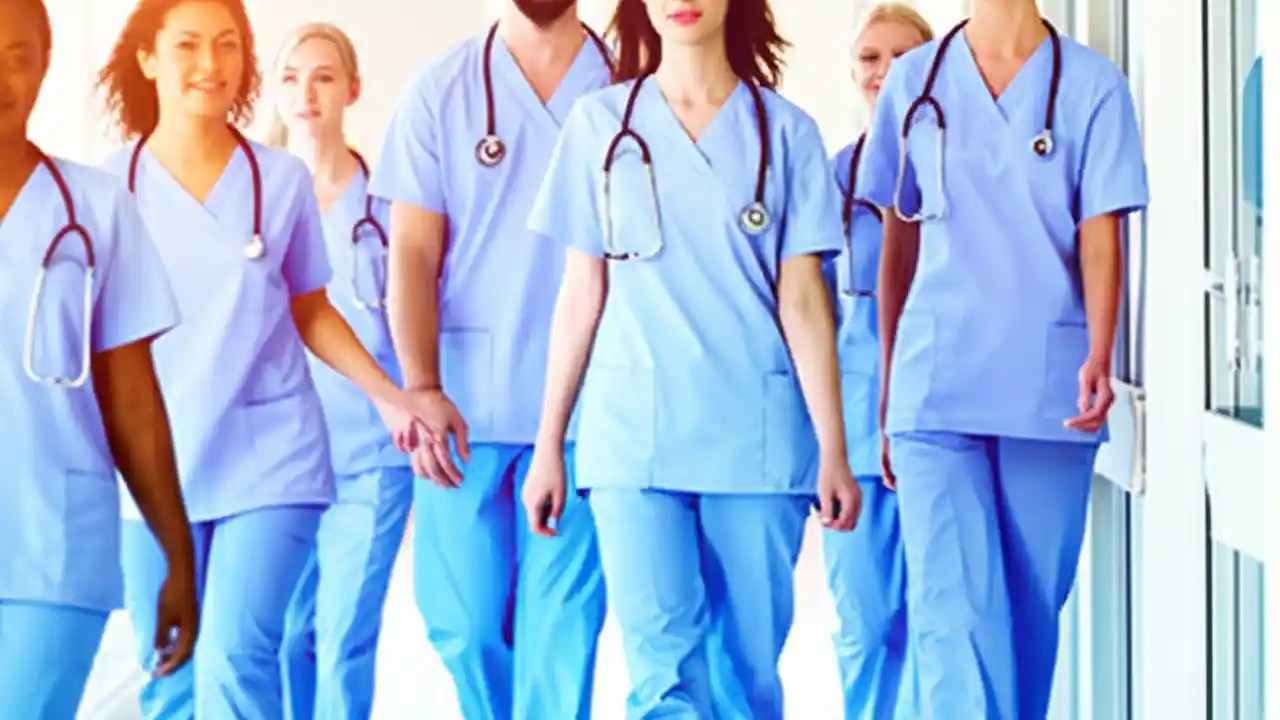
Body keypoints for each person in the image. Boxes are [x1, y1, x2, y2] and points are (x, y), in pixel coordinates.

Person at [522, 0, 862, 717]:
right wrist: (548, 443)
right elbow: (580, 293)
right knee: (663, 680)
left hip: (755, 440)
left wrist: (834, 448)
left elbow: (805, 301)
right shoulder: (598, 125)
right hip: (632, 439)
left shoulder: (787, 133)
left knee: (744, 680)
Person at [95, 1, 432, 717]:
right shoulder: (108, 190)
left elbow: (311, 308)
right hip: (152, 467)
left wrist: (391, 394)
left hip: (267, 458)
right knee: (169, 673)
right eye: (188, 45)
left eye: (227, 45)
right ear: (148, 59)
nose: (210, 64)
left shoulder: (277, 181)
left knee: (236, 661)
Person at [861, 0, 1149, 716]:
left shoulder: (1093, 86)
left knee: (1027, 626)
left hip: (1048, 391)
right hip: (934, 388)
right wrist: (890, 380)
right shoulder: (914, 82)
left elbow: (1101, 233)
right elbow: (900, 240)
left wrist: (1101, 349)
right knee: (956, 622)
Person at [367, 2, 613, 717]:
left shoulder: (628, 85)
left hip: (590, 411)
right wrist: (420, 384)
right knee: (467, 627)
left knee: (561, 633)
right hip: (464, 408)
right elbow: (412, 253)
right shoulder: (440, 91)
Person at [0, 1, 198, 716]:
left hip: (51, 550)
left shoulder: (94, 206)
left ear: (44, 67)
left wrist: (177, 553)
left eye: (17, 58)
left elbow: (132, 399)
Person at [267, 23, 414, 720]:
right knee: (286, 637)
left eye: (324, 76)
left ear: (352, 90)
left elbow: (417, 325)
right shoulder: (256, 205)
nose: (307, 92)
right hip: (280, 464)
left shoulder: (388, 209)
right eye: (292, 77)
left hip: (370, 458)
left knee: (342, 639)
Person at [823, 7, 932, 719]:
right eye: (870, 57)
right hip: (858, 435)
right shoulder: (832, 179)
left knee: (936, 623)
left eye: (902, 57)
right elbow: (805, 314)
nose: (884, 72)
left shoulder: (957, 173)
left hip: (938, 423)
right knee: (864, 626)